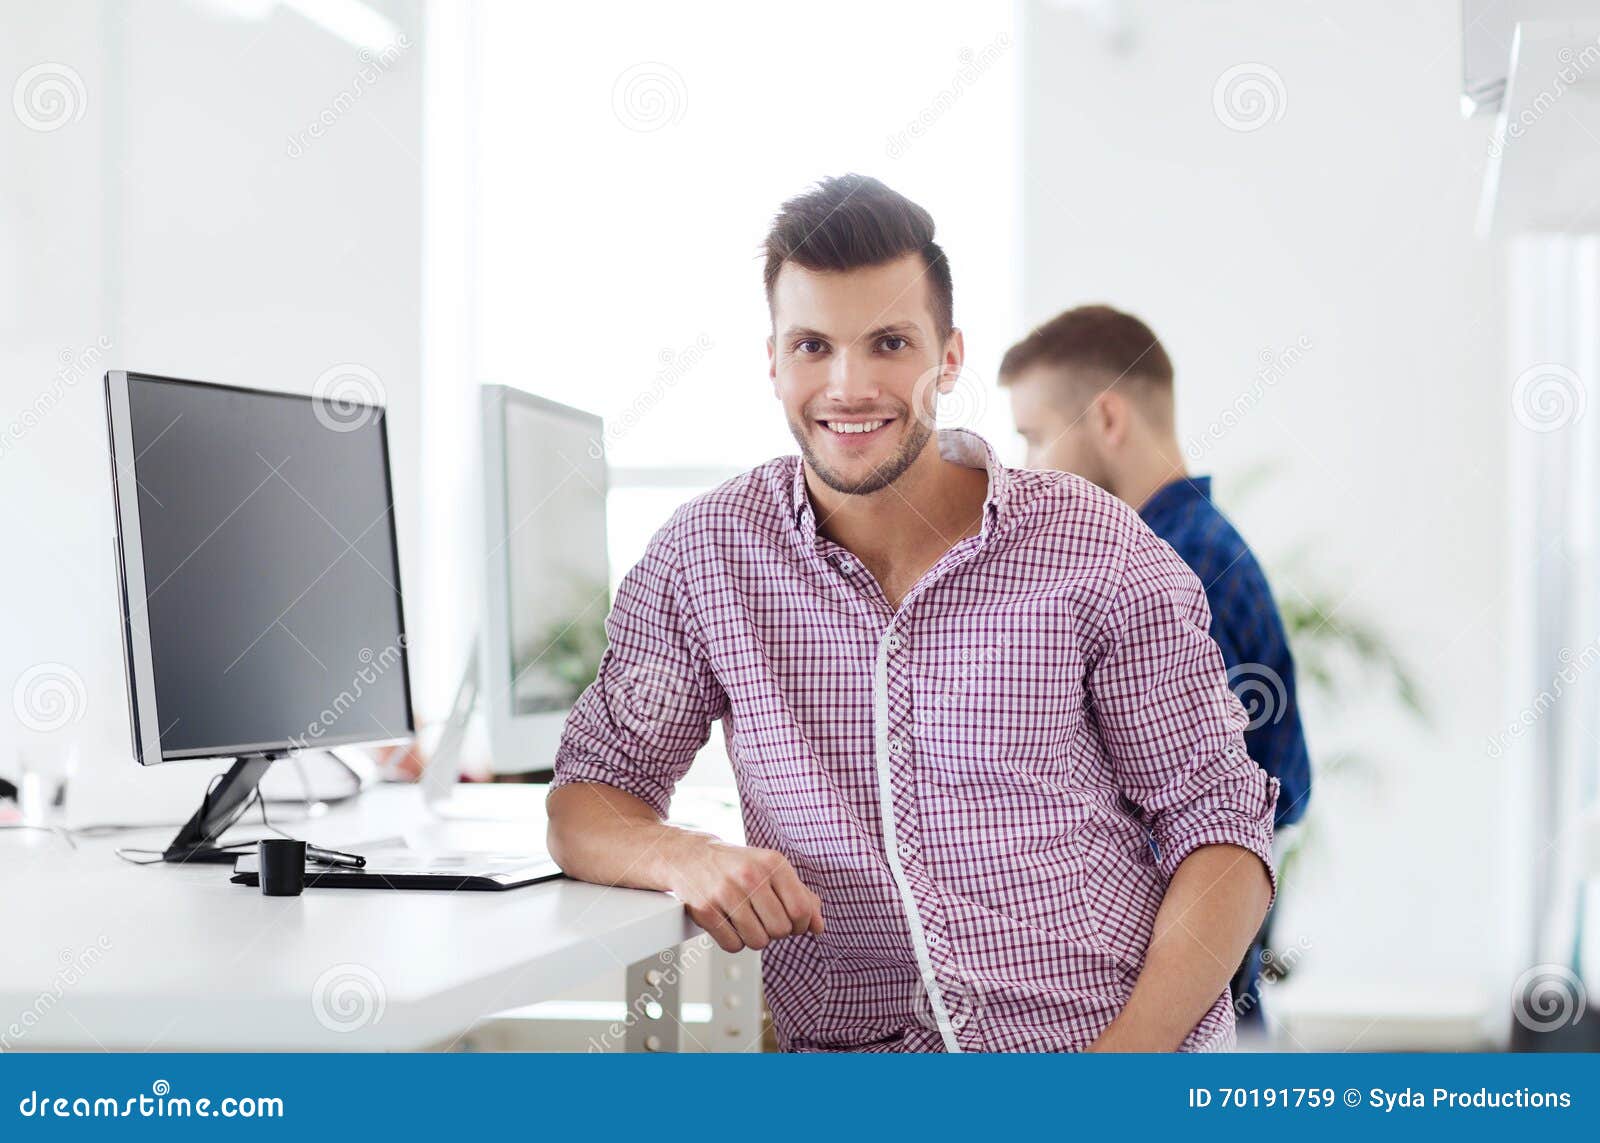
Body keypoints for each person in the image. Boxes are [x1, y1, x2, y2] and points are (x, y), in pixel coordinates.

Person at [546, 175, 1278, 1052]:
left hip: (1103, 1048)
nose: (848, 386)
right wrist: (687, 855)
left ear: (951, 357)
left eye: (889, 343)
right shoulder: (708, 557)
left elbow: (1223, 828)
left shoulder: (1096, 545)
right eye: (813, 345)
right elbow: (586, 799)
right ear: (772, 361)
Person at [1000, 304, 1310, 1030]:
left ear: (1108, 419)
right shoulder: (1193, 544)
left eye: (1036, 437)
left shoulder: (1167, 572)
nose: (1024, 469)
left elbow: (1205, 819)